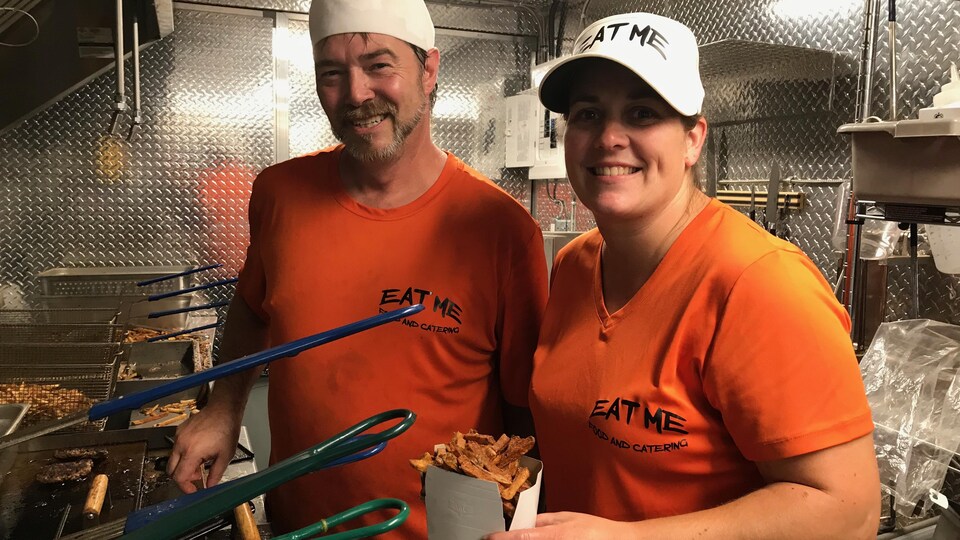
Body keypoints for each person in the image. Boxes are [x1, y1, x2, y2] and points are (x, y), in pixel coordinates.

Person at [488, 12, 880, 540]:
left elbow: (849, 512)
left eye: (642, 113)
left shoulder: (760, 283)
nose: (609, 137)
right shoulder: (573, 265)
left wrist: (626, 539)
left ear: (693, 139)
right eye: (587, 114)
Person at [167, 0, 548, 537]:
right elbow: (253, 308)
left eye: (379, 65)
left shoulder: (501, 229)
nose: (356, 94)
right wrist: (224, 408)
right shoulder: (279, 194)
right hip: (297, 525)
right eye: (332, 73)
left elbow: (523, 416)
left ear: (429, 69)